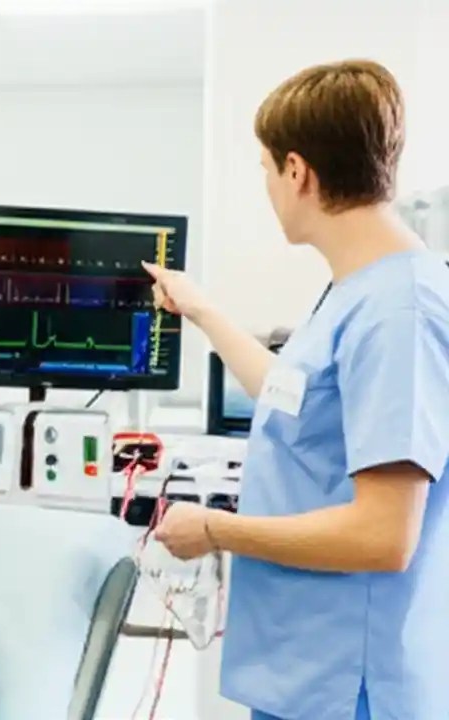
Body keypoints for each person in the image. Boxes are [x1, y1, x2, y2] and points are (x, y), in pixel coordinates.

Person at [149, 59, 449, 720]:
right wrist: (203, 311)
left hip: (349, 687)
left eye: (264, 169)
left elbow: (384, 535)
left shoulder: (400, 312)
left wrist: (215, 529)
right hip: (307, 671)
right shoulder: (360, 290)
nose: (268, 187)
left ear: (296, 171)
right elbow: (293, 400)